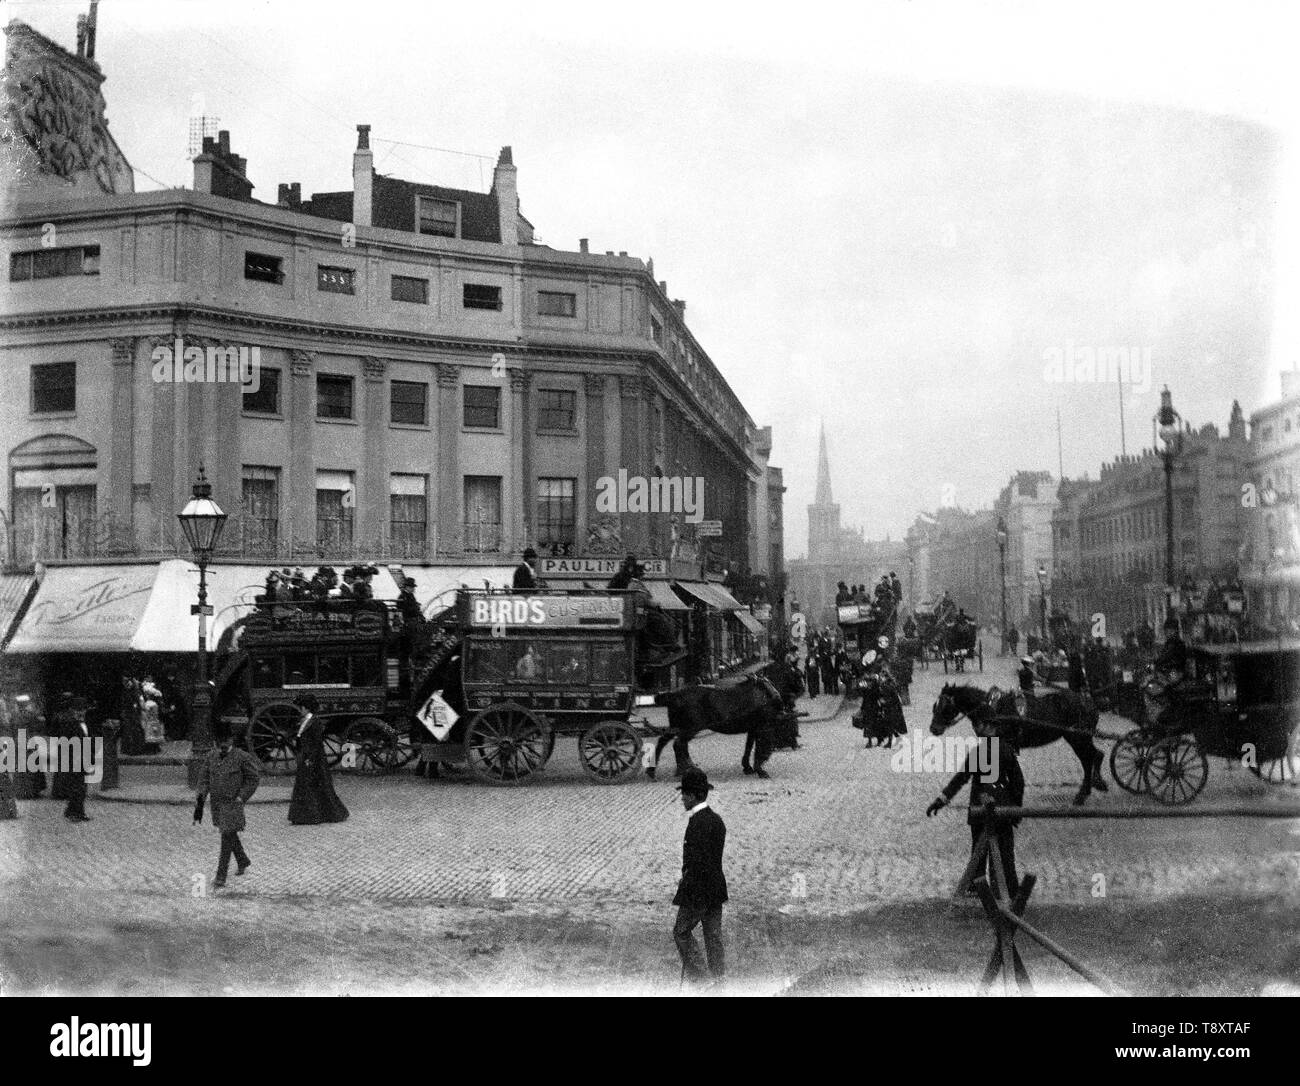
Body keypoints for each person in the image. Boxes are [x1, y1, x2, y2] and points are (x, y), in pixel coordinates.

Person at [927, 713, 1025, 897]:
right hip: (1003, 809)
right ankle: (1008, 889)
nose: (974, 729)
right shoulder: (1005, 750)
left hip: (980, 808)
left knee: (979, 851)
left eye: (977, 725)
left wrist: (941, 800)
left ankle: (977, 888)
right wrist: (1015, 809)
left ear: (989, 726)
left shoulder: (978, 753)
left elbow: (960, 779)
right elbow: (1018, 783)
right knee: (1004, 852)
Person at [672, 767, 727, 984]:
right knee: (713, 936)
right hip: (717, 888)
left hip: (698, 890)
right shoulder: (716, 820)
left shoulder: (696, 824)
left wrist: (685, 883)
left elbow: (696, 863)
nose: (682, 798)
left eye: (684, 794)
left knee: (681, 932)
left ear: (694, 796)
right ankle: (719, 979)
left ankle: (703, 980)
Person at [194, 724, 262, 888]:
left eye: (225, 741)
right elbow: (203, 779)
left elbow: (253, 778)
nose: (221, 745)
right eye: (219, 742)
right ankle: (243, 860)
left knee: (226, 837)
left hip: (233, 804)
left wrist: (242, 797)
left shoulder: (242, 757)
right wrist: (201, 797)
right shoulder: (211, 757)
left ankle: (221, 876)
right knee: (230, 834)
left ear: (232, 740)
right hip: (217, 805)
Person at [288, 695, 349, 825]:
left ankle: (312, 815)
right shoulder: (304, 721)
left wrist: (310, 758)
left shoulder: (314, 722)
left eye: (302, 708)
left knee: (312, 786)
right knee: (306, 786)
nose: (300, 710)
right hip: (305, 757)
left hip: (313, 759)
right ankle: (304, 815)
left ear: (306, 708)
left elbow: (316, 743)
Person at [50, 694, 91, 822]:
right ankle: (75, 812)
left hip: (78, 758)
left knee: (79, 786)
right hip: (74, 759)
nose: (83, 712)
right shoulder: (70, 723)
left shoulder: (77, 722)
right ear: (75, 710)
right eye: (81, 710)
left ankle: (74, 811)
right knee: (78, 787)